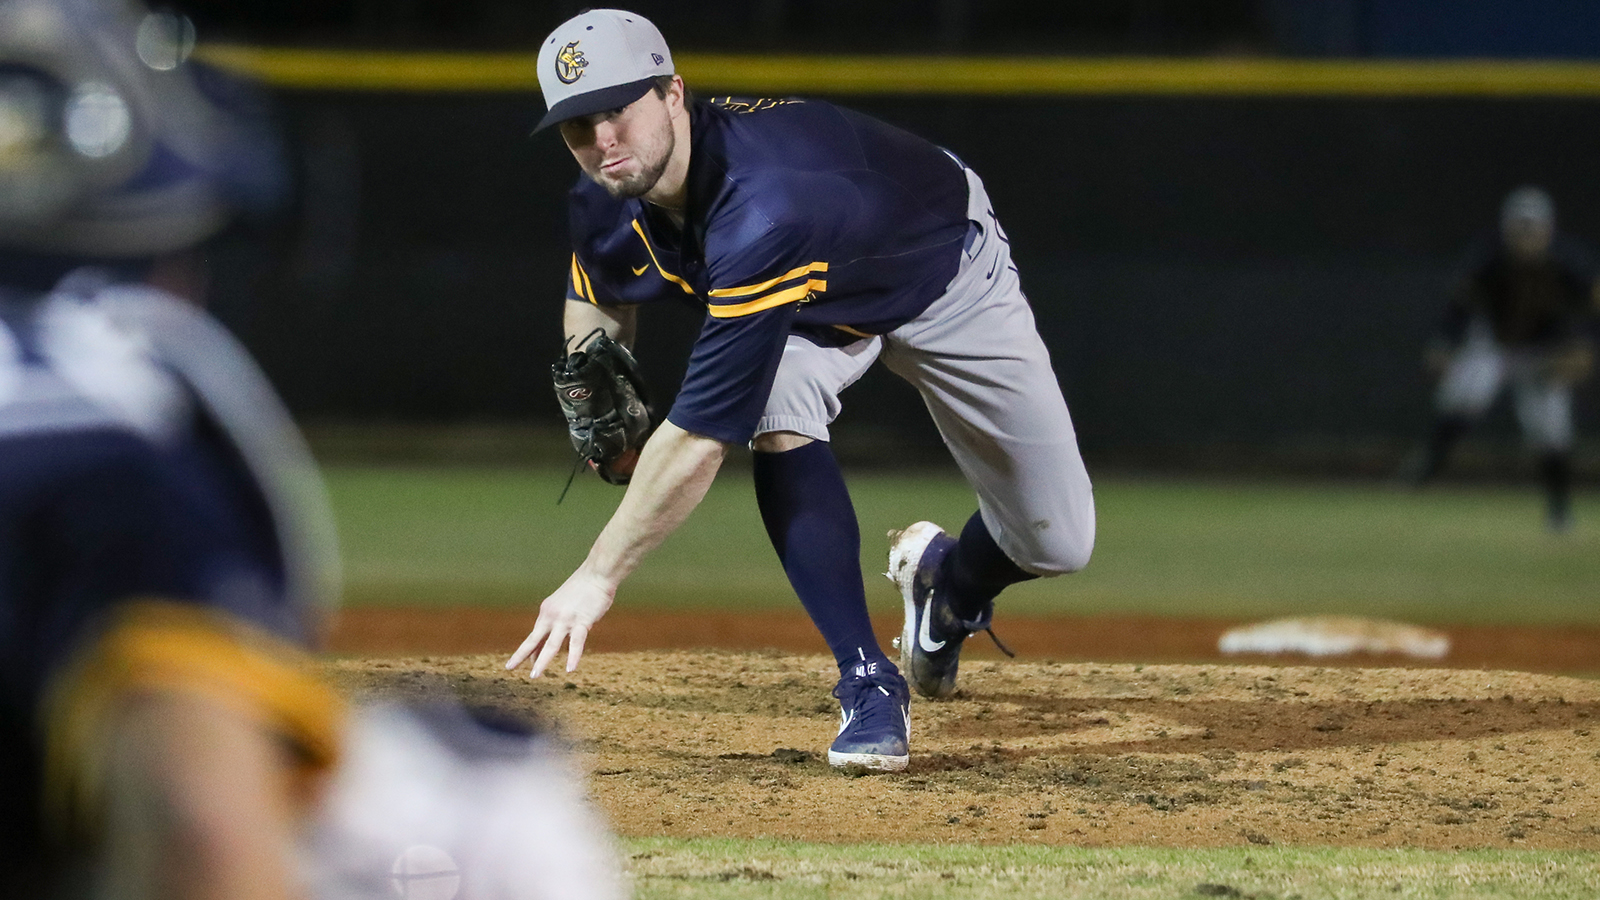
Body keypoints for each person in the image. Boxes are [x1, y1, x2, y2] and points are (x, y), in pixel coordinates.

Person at [508, 9, 1096, 772]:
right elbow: (598, 283)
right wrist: (593, 357)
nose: (601, 141)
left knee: (1057, 541)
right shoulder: (608, 190)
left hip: (939, 271)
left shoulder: (763, 206)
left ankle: (947, 585)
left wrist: (598, 576)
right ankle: (867, 681)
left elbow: (697, 437)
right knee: (776, 402)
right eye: (577, 126)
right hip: (811, 306)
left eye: (617, 109)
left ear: (673, 93)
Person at [1402, 186, 1600, 532]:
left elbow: (1594, 308)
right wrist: (1445, 343)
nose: (1526, 235)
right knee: (1463, 397)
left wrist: (1586, 347)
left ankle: (1559, 509)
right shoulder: (1488, 258)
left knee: (1551, 429)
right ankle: (1425, 468)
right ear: (1506, 228)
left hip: (1544, 352)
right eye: (1519, 227)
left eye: (1532, 227)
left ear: (1548, 229)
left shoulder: (1570, 262)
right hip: (1494, 344)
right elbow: (1461, 304)